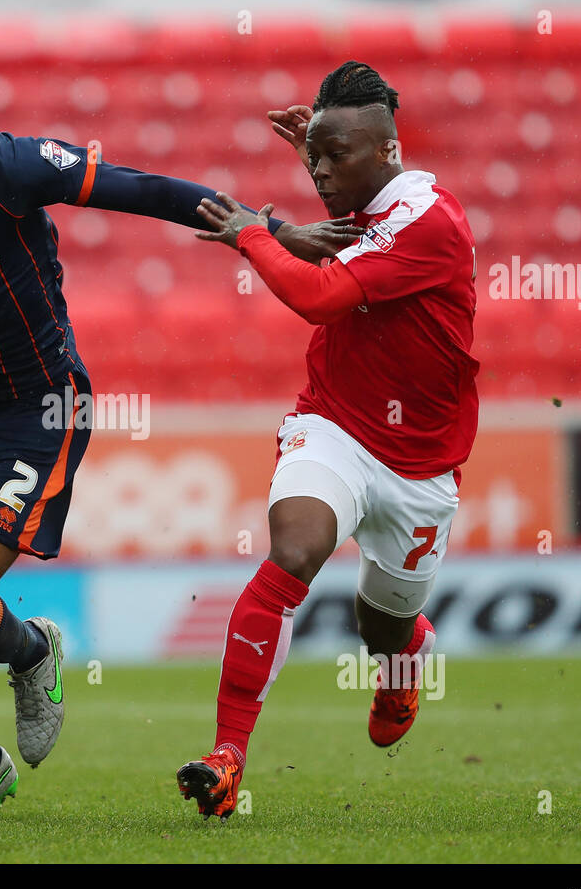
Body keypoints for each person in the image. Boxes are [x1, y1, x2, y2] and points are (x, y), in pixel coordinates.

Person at [0, 49, 351, 821]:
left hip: (34, 405)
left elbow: (143, 190)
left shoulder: (4, 165)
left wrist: (272, 229)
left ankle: (31, 650)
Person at [176, 61, 480, 820]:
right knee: (294, 552)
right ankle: (227, 758)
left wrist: (252, 232)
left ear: (387, 151)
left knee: (383, 621)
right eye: (313, 155)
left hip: (422, 465)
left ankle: (404, 655)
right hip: (335, 424)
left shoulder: (430, 218)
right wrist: (310, 157)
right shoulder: (380, 203)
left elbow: (319, 295)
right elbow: (341, 237)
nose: (318, 170)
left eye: (334, 155)